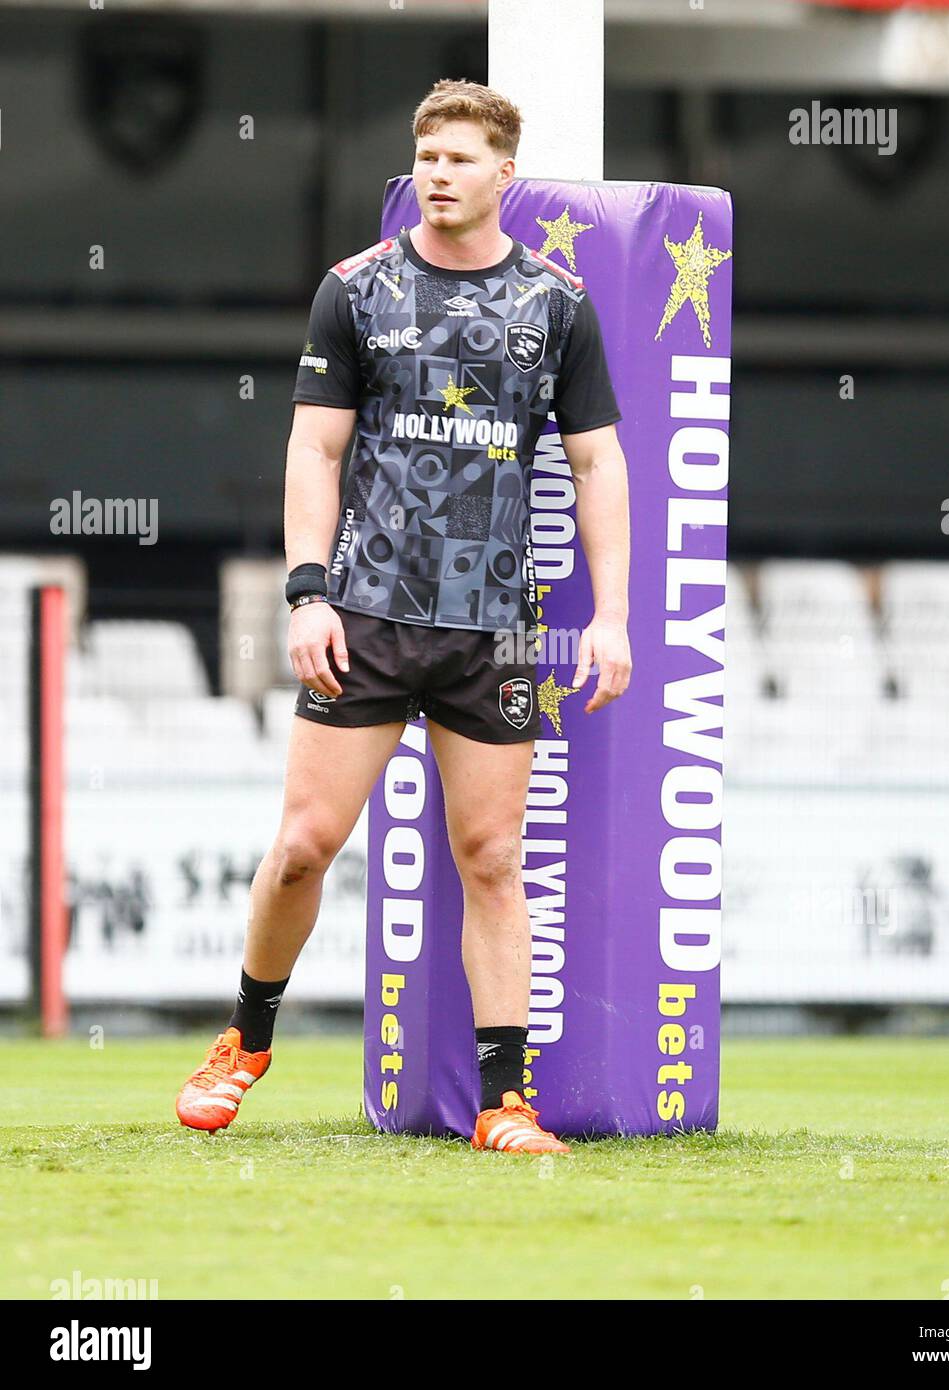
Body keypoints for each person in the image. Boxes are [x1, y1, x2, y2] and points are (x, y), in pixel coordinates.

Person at [175, 78, 631, 1155]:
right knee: (301, 845)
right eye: (426, 157)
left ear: (503, 175)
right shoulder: (355, 289)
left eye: (462, 159)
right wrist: (306, 589)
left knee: (490, 857)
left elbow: (598, 462)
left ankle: (502, 1103)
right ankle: (245, 1041)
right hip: (368, 614)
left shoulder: (554, 306)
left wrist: (610, 615)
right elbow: (315, 450)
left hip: (499, 627)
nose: (438, 175)